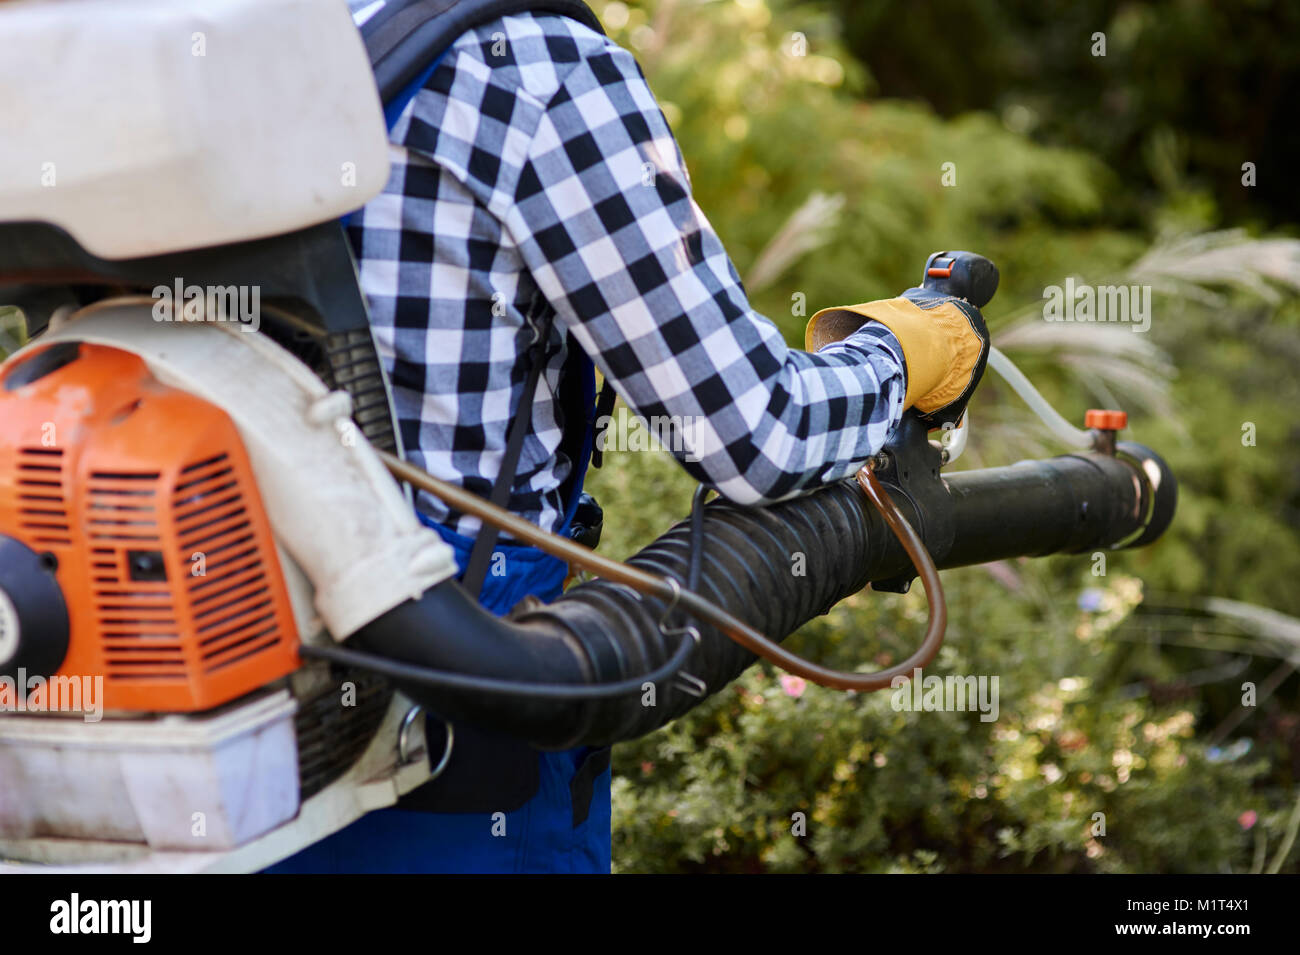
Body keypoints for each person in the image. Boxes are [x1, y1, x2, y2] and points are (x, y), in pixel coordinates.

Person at [269, 6, 986, 874]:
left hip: (161, 656)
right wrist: (907, 350)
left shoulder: (195, 43)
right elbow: (758, 431)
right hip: (454, 695)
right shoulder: (531, 71)